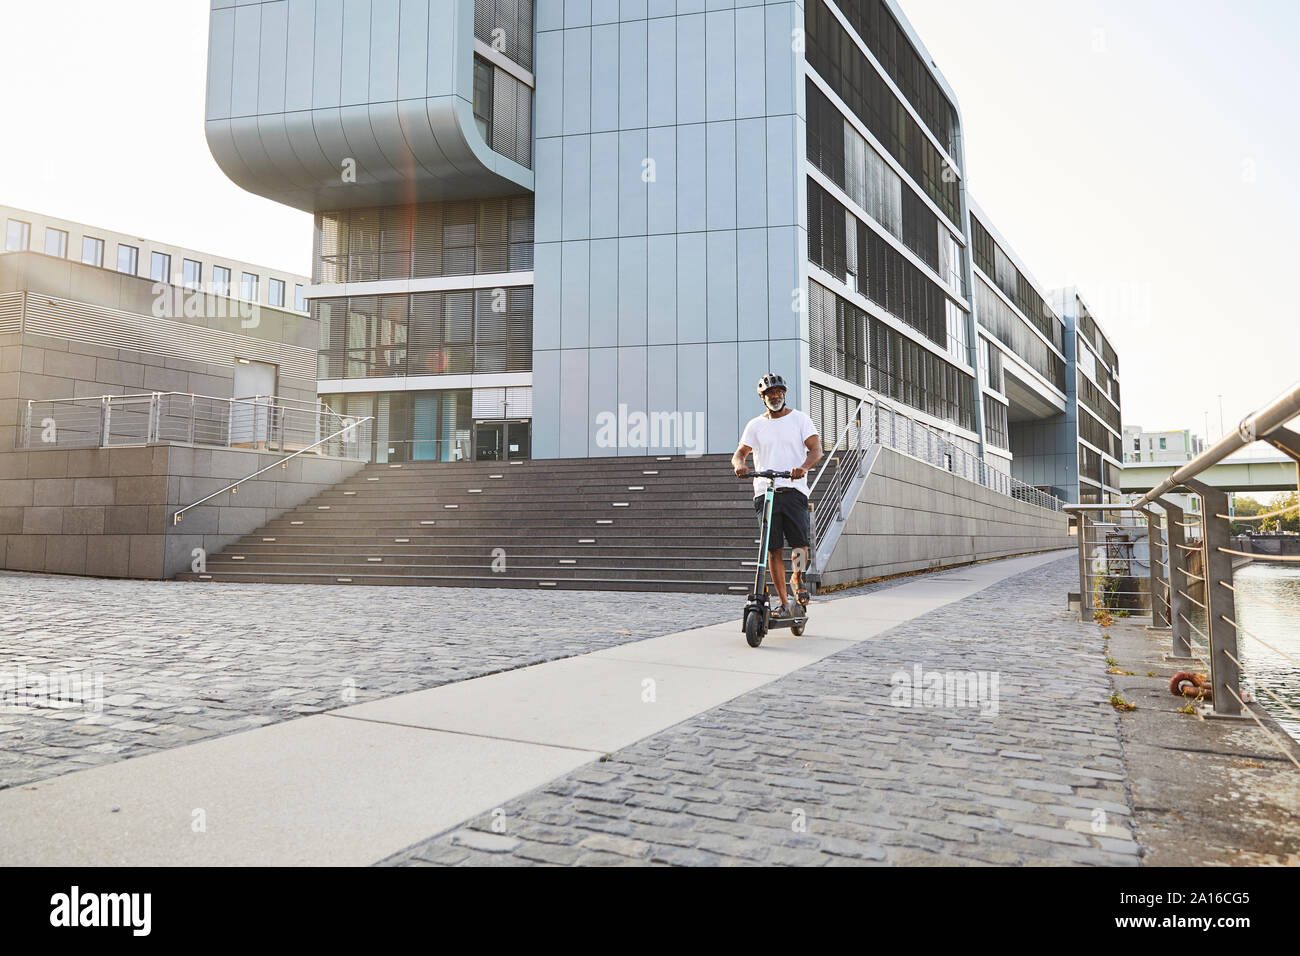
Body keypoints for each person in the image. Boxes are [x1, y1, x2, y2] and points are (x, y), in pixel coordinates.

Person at [731, 373, 822, 619]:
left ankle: (798, 577)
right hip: (765, 492)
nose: (775, 396)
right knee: (772, 549)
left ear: (784, 393)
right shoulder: (755, 425)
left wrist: (803, 467)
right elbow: (740, 453)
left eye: (779, 391)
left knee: (800, 545)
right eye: (770, 393)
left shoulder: (800, 419)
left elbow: (816, 449)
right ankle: (783, 602)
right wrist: (740, 464)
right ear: (763, 397)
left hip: (794, 489)